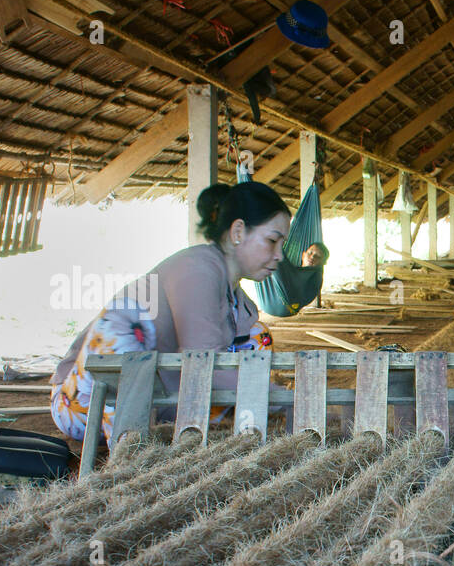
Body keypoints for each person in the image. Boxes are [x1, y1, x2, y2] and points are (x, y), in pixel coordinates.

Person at [50, 180, 293, 445]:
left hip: (159, 407)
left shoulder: (236, 296)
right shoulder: (197, 269)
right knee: (126, 322)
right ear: (237, 232)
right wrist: (282, 398)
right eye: (272, 241)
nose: (279, 255)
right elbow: (205, 363)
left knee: (258, 337)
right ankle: (128, 447)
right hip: (83, 407)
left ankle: (195, 428)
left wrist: (272, 397)